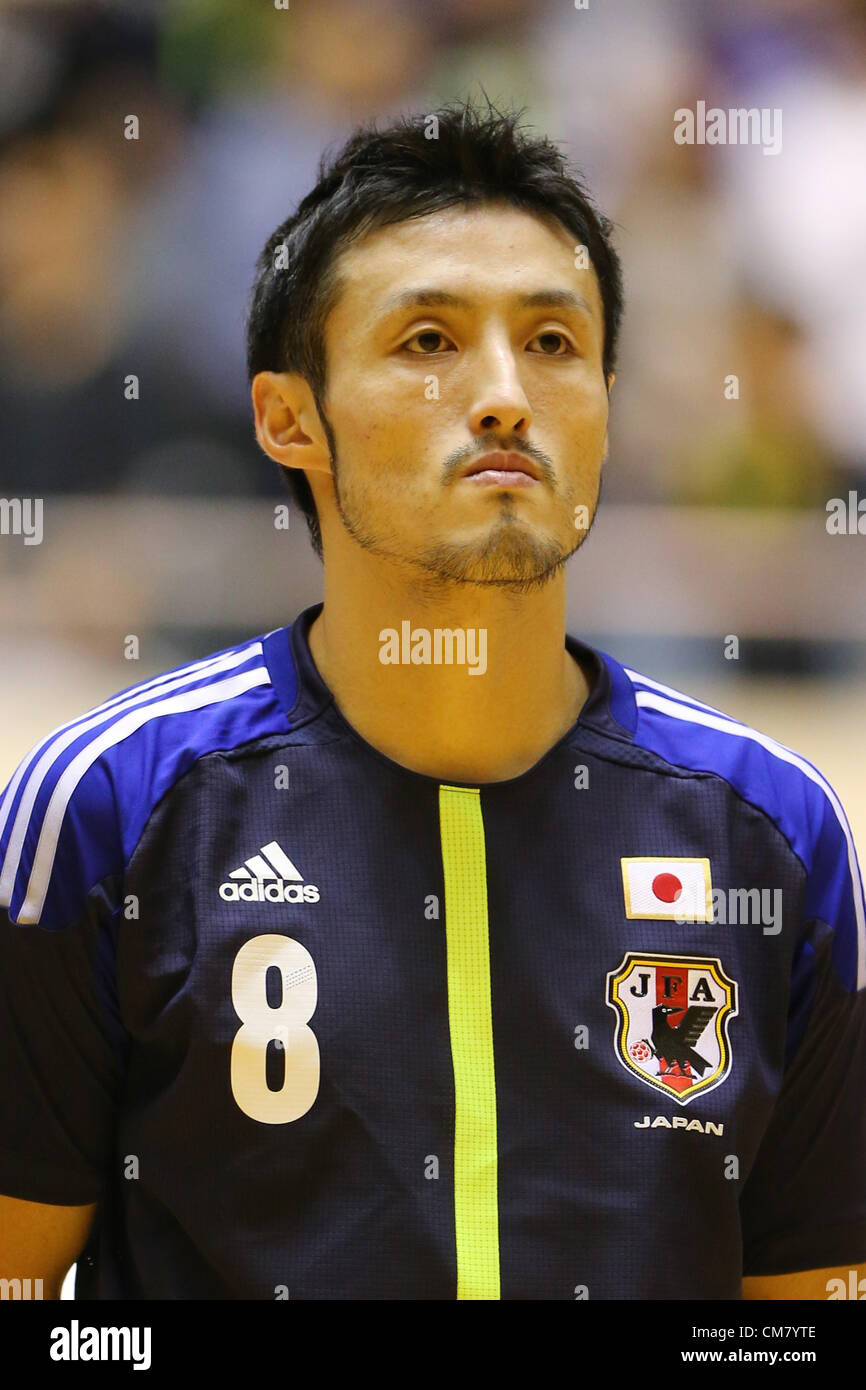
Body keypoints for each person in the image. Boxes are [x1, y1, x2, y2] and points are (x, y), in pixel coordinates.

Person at [0, 101, 864, 1301]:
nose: (505, 393)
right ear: (287, 419)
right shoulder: (106, 810)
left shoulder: (771, 831)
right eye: (426, 341)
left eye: (555, 344)